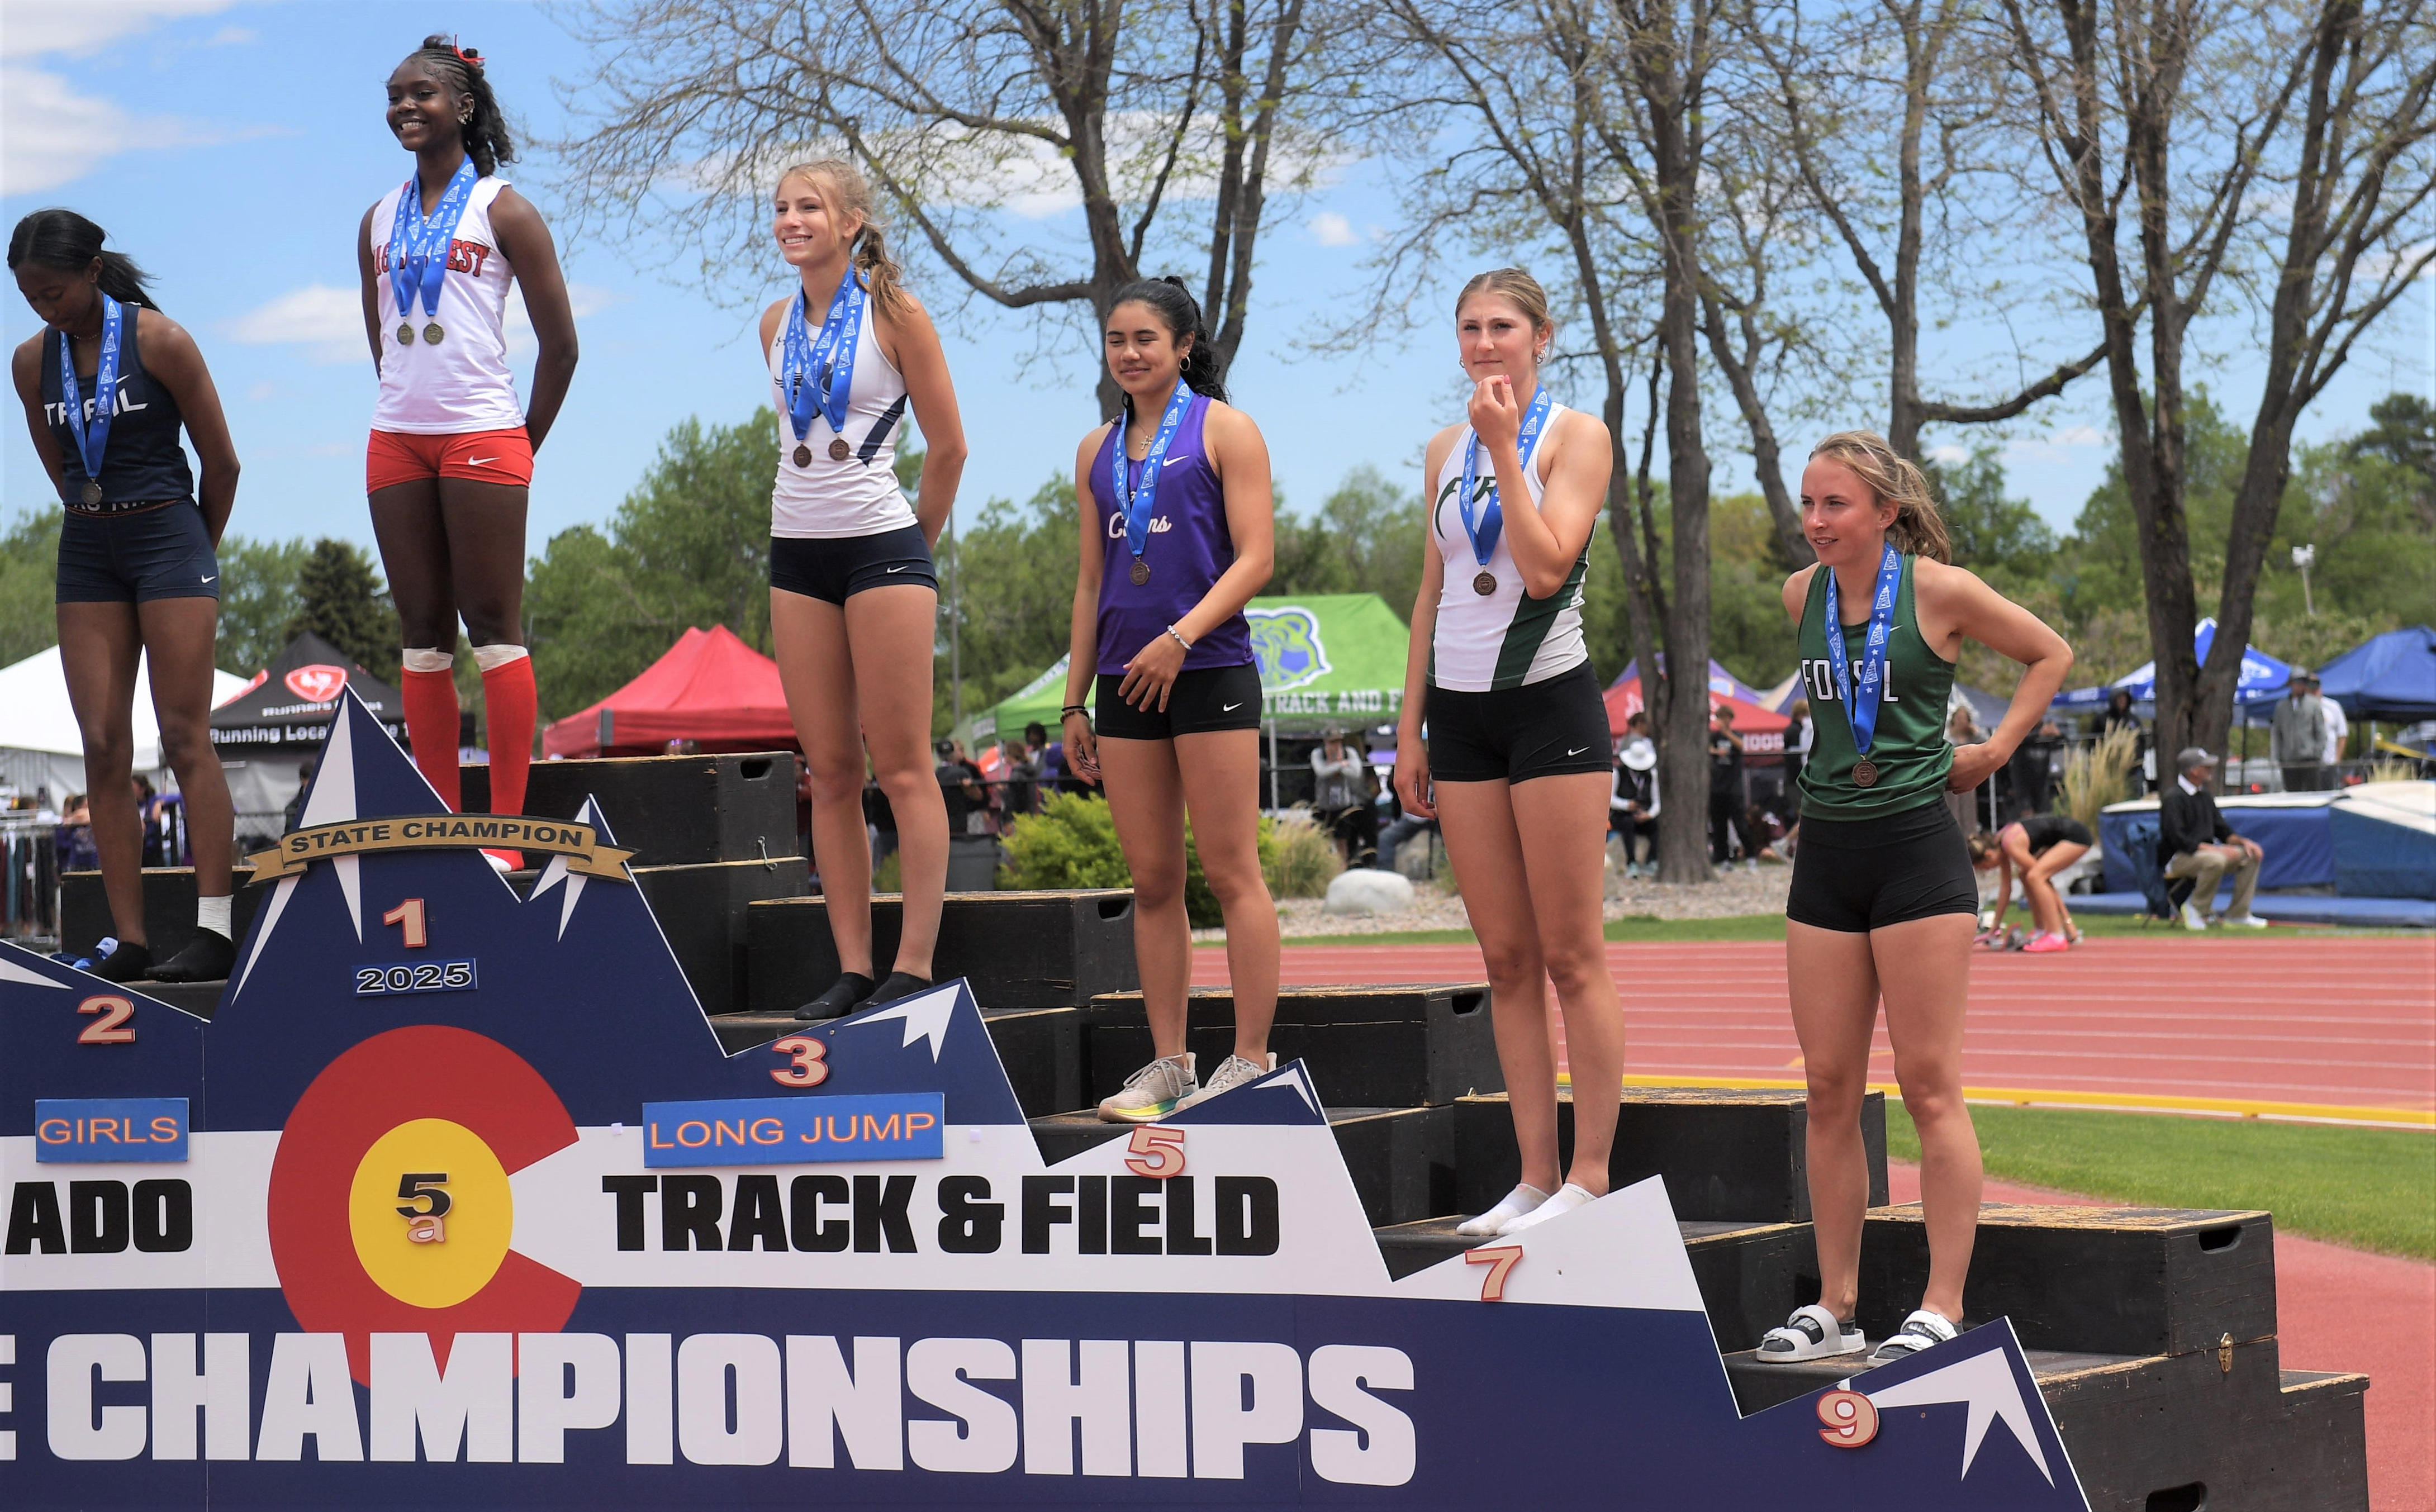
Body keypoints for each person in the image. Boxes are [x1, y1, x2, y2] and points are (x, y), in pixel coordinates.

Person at [1758, 430, 2071, 1367]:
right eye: (1806, 504)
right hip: (1825, 861)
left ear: (1883, 512)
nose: (1814, 522)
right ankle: (1835, 1304)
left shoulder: (1938, 589)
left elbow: (2047, 654)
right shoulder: (1797, 597)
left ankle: (1939, 1303)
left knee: (1928, 1084)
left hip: (1916, 857)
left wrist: (1994, 749)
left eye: (1834, 505)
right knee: (1825, 1091)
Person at [1392, 268, 1628, 1238]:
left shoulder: (1574, 435)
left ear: (1540, 337)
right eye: (1468, 327)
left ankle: (1589, 1173)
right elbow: (1430, 590)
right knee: (1504, 959)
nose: (1483, 343)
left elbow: (1541, 567)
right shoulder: (1443, 449)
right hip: (1461, 718)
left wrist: (1502, 444)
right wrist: (1407, 729)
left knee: (1571, 954)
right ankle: (1532, 1176)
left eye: (1501, 327)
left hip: (1549, 711)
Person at [1060, 277, 1281, 1122]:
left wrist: (1181, 635)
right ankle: (1168, 1063)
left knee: (1229, 872)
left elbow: (1255, 558)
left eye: (1146, 338)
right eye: (1116, 339)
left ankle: (1251, 1057)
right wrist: (1075, 698)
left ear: (1183, 344)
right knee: (1152, 881)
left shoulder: (1225, 430)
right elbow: (1089, 582)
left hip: (1207, 669)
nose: (1130, 353)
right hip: (1121, 682)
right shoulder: (1093, 449)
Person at [358, 37, 575, 870]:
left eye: (422, 94)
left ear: (464, 105)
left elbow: (563, 347)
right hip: (396, 441)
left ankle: (507, 836)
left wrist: (521, 440)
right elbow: (384, 345)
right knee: (419, 637)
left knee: (493, 631)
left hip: (483, 433)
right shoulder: (376, 219)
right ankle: (443, 828)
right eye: (393, 95)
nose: (404, 107)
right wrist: (408, 408)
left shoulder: (504, 209)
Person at [760, 156, 967, 1020]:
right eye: (779, 208)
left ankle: (912, 964)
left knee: (904, 766)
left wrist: (914, 544)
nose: (789, 220)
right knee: (831, 770)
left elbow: (949, 446)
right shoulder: (771, 322)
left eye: (808, 207)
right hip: (795, 552)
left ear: (851, 222)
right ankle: (851, 966)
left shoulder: (896, 312)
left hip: (881, 545)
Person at [11, 209, 240, 983]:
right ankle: (129, 938)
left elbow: (224, 462)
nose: (46, 307)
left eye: (55, 291)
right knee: (102, 746)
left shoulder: (159, 340)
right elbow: (60, 465)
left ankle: (214, 926)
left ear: (92, 269)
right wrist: (95, 517)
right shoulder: (26, 364)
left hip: (170, 539)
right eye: (29, 295)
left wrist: (193, 550)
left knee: (183, 736)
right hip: (89, 550)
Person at [2160, 748, 2268, 931]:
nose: (2211, 770)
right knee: (2215, 860)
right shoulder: (2173, 799)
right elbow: (2178, 840)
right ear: (2194, 770)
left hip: (2204, 853)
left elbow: (2222, 830)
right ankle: (2195, 908)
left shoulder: (2205, 796)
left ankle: (2238, 914)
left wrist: (2245, 843)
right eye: (2206, 767)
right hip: (2179, 858)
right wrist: (2216, 850)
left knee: (2250, 856)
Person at [1967, 814, 2092, 952]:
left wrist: (2068, 922)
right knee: (2025, 875)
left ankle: (2056, 935)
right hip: (2065, 836)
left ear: (1989, 855)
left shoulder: (2010, 844)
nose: (1989, 871)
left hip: (2076, 836)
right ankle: (2041, 930)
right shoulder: (2001, 842)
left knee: (2035, 876)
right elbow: (2005, 889)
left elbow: (2045, 881)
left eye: (1985, 867)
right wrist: (1994, 929)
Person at [1310, 726, 1374, 866]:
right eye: (1332, 742)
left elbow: (1356, 773)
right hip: (1324, 806)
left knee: (1342, 842)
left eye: (1338, 742)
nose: (1336, 746)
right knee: (1323, 842)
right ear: (1326, 742)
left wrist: (1336, 765)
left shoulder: (1349, 752)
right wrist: (1341, 765)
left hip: (1343, 806)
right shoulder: (1318, 753)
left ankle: (1342, 869)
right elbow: (1321, 772)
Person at [1708, 706, 1758, 868]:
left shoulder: (1736, 735)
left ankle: (1751, 855)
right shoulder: (1713, 737)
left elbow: (1741, 746)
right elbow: (1707, 748)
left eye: (1726, 718)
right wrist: (1716, 752)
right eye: (1721, 718)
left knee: (1740, 823)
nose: (1724, 721)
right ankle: (1723, 858)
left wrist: (1727, 733)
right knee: (1719, 825)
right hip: (1717, 787)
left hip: (1734, 787)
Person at [1611, 718, 1660, 877]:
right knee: (1627, 823)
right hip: (1622, 815)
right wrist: (1626, 806)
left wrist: (1649, 815)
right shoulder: (1618, 774)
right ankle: (1631, 862)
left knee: (1656, 825)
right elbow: (1610, 799)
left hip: (1643, 815)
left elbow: (1656, 801)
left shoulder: (1651, 775)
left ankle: (1652, 860)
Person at [2272, 672, 2328, 793]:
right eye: (2297, 683)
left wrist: (2316, 753)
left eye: (2303, 683)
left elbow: (2321, 732)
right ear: (2291, 684)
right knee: (2292, 794)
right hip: (2289, 761)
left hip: (2309, 760)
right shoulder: (2282, 707)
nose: (2300, 686)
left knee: (2312, 793)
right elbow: (2277, 733)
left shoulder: (2314, 704)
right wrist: (2278, 756)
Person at [935, 739, 986, 837]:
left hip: (941, 819)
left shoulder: (935, 775)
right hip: (961, 817)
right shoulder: (961, 772)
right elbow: (978, 796)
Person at [2320, 679, 2350, 779]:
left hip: (2330, 762)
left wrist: (2337, 760)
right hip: (2310, 764)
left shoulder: (2333, 706)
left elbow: (2343, 734)